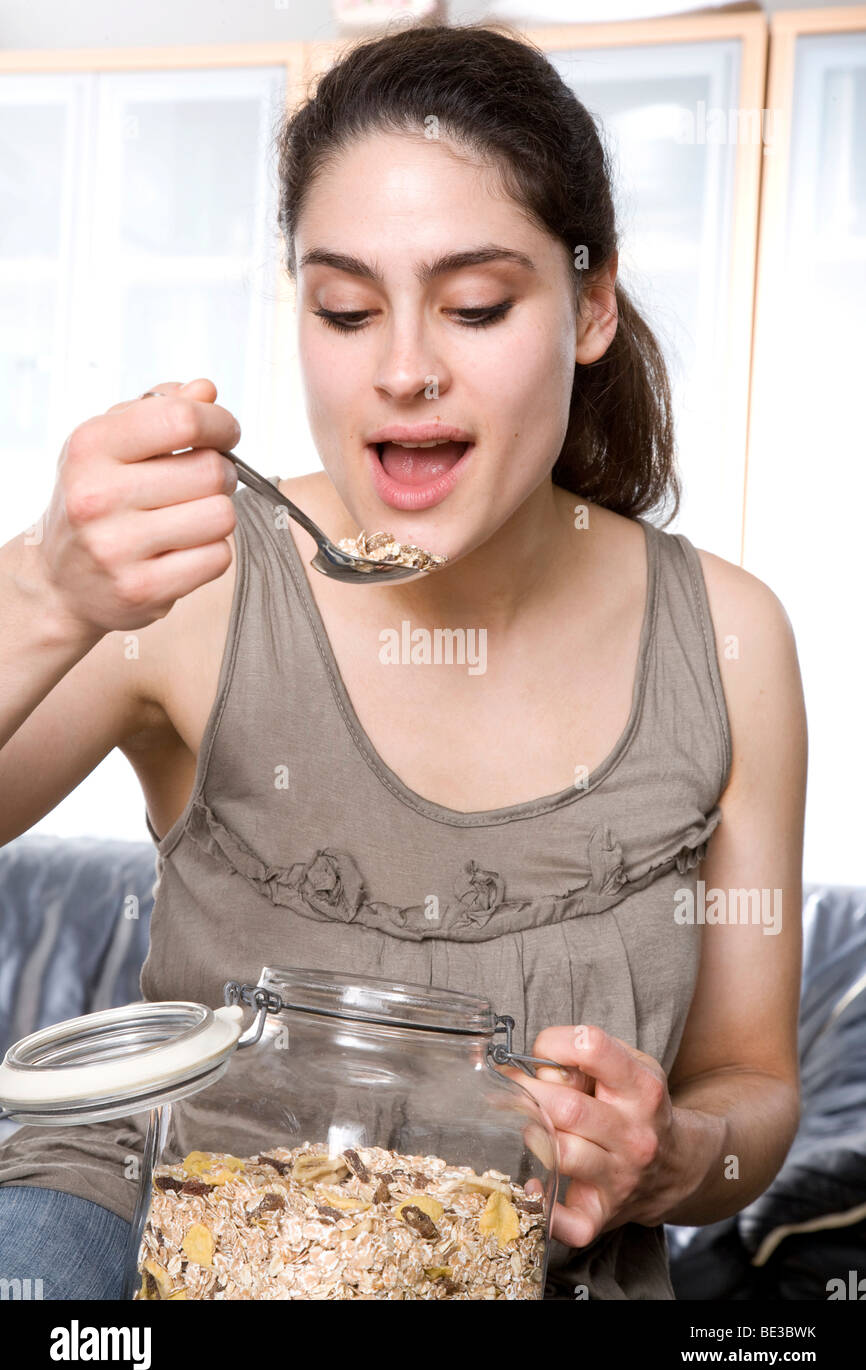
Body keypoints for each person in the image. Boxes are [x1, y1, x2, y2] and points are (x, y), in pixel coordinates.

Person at [0, 22, 806, 1300]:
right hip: (148, 1228)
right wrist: (43, 590)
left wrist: (669, 1154)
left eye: (476, 305)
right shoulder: (190, 577)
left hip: (503, 1262)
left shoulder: (728, 636)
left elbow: (752, 1091)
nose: (403, 370)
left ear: (590, 306)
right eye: (346, 307)